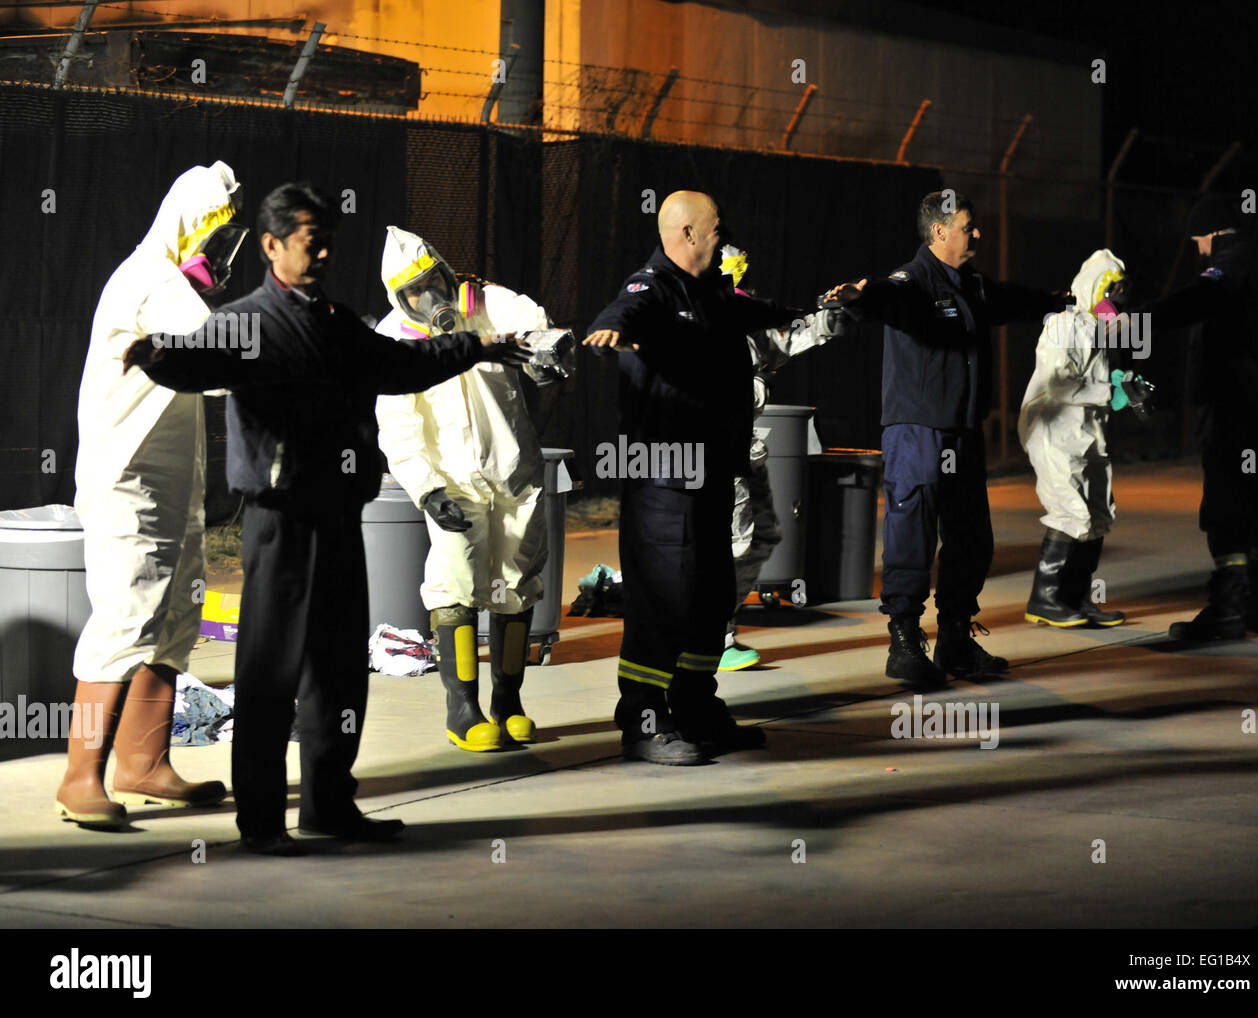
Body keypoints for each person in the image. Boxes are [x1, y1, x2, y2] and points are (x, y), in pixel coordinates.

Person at [125, 182, 529, 854]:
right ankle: (260, 822)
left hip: (340, 517)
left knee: (339, 669)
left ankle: (329, 805)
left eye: (327, 239)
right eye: (310, 239)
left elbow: (402, 365)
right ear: (271, 245)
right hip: (281, 522)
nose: (323, 251)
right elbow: (200, 363)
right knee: (268, 673)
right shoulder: (247, 324)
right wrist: (161, 360)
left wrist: (478, 348)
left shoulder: (339, 321)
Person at [56, 162, 244, 829]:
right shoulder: (153, 282)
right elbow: (219, 361)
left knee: (170, 624)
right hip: (125, 484)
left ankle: (144, 765)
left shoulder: (174, 286)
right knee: (124, 621)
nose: (220, 255)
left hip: (168, 486)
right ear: (184, 225)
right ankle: (80, 775)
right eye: (213, 237)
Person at [584, 190, 795, 765]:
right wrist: (608, 330)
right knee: (663, 595)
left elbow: (757, 312)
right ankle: (643, 722)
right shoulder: (652, 288)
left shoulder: (711, 293)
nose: (723, 236)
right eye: (715, 229)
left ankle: (697, 707)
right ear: (686, 235)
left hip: (708, 472)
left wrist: (809, 311)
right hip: (662, 476)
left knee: (708, 592)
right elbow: (623, 310)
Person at [829, 191, 1070, 689]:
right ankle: (903, 640)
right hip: (918, 432)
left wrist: (1054, 302)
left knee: (971, 539)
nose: (977, 233)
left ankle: (956, 638)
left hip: (962, 434)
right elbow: (886, 296)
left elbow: (1010, 298)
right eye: (968, 225)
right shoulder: (912, 281)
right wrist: (859, 297)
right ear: (939, 232)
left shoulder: (973, 286)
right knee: (912, 536)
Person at [374, 226, 551, 751]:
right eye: (414, 293)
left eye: (434, 282)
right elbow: (398, 426)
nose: (429, 299)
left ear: (449, 273)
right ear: (398, 299)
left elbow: (539, 329)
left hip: (514, 474)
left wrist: (543, 350)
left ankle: (509, 702)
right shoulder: (396, 339)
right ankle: (462, 710)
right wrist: (427, 489)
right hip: (452, 483)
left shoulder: (491, 304)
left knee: (516, 585)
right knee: (455, 587)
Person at [1138, 193, 1258, 640]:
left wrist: (1143, 317)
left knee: (1225, 506)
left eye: (1198, 242)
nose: (1199, 253)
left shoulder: (1233, 259)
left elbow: (1204, 295)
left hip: (1234, 409)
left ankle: (1227, 610)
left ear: (1208, 235)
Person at [716, 244, 852, 670]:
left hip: (744, 447)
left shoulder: (747, 320)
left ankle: (712, 628)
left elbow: (791, 335)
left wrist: (831, 312)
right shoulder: (695, 320)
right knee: (732, 544)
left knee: (763, 537)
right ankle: (710, 639)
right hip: (713, 448)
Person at [1019, 249, 1131, 628]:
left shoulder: (1096, 330)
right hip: (1053, 430)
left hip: (1085, 431)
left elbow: (1093, 387)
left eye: (1119, 292)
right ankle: (1045, 599)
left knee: (1097, 511)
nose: (1115, 301)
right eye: (1110, 290)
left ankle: (1075, 598)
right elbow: (1058, 385)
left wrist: (1122, 388)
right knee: (1070, 510)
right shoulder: (1063, 326)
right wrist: (1106, 390)